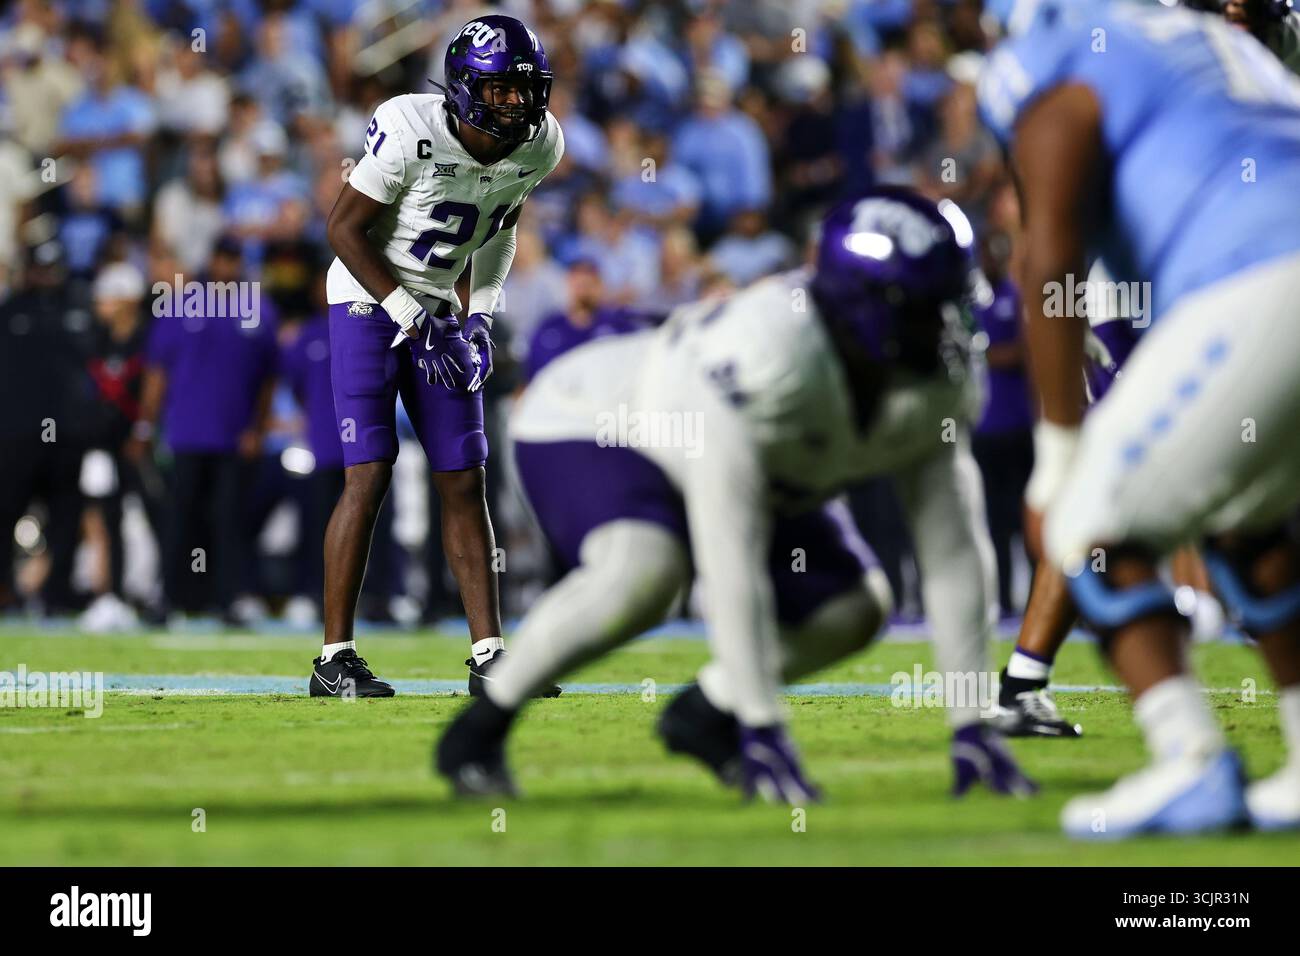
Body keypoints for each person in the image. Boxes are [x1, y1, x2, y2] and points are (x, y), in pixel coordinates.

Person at [436, 187, 1035, 803]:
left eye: (952, 307)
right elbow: (729, 558)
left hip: (728, 448)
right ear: (865, 307)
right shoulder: (769, 357)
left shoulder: (937, 384)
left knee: (853, 608)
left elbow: (953, 551)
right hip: (597, 419)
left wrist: (974, 724)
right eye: (923, 311)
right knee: (644, 571)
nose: (947, 332)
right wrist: (765, 725)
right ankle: (479, 732)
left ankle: (705, 712)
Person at [979, 0, 1300, 836]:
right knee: (1249, 521)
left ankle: (1185, 759)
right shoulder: (1212, 43)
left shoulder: (1062, 52)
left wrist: (1057, 450)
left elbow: (1048, 255)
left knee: (1088, 517)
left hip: (1260, 277)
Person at [316, 14, 564, 698]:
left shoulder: (539, 146)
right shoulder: (409, 128)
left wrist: (480, 314)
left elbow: (500, 230)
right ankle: (335, 656)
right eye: (500, 89)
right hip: (367, 300)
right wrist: (412, 318)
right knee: (369, 473)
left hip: (439, 309)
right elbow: (342, 228)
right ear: (460, 87)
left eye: (525, 89)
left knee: (464, 477)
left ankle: (491, 654)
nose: (516, 104)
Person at [133, 237, 278, 622]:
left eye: (234, 260)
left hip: (233, 436)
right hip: (185, 434)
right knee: (178, 518)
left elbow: (267, 380)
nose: (227, 267)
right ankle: (167, 595)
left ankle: (227, 598)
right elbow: (157, 374)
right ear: (211, 260)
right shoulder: (179, 306)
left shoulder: (258, 311)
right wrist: (146, 425)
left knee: (228, 520)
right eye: (222, 258)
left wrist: (257, 430)